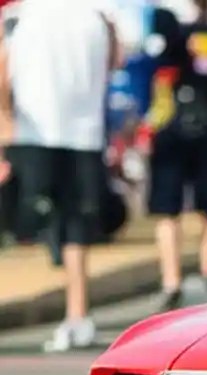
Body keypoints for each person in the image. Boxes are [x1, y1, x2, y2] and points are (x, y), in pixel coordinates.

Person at [0, 0, 119, 352]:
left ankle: (78, 317)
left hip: (33, 133)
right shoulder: (97, 14)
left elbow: (3, 70)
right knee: (75, 226)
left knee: (20, 223)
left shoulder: (20, 15)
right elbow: (115, 61)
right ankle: (77, 314)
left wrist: (4, 119)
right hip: (83, 131)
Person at [145, 0, 207, 310]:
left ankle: (171, 278)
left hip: (169, 129)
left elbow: (151, 80)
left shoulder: (159, 28)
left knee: (167, 208)